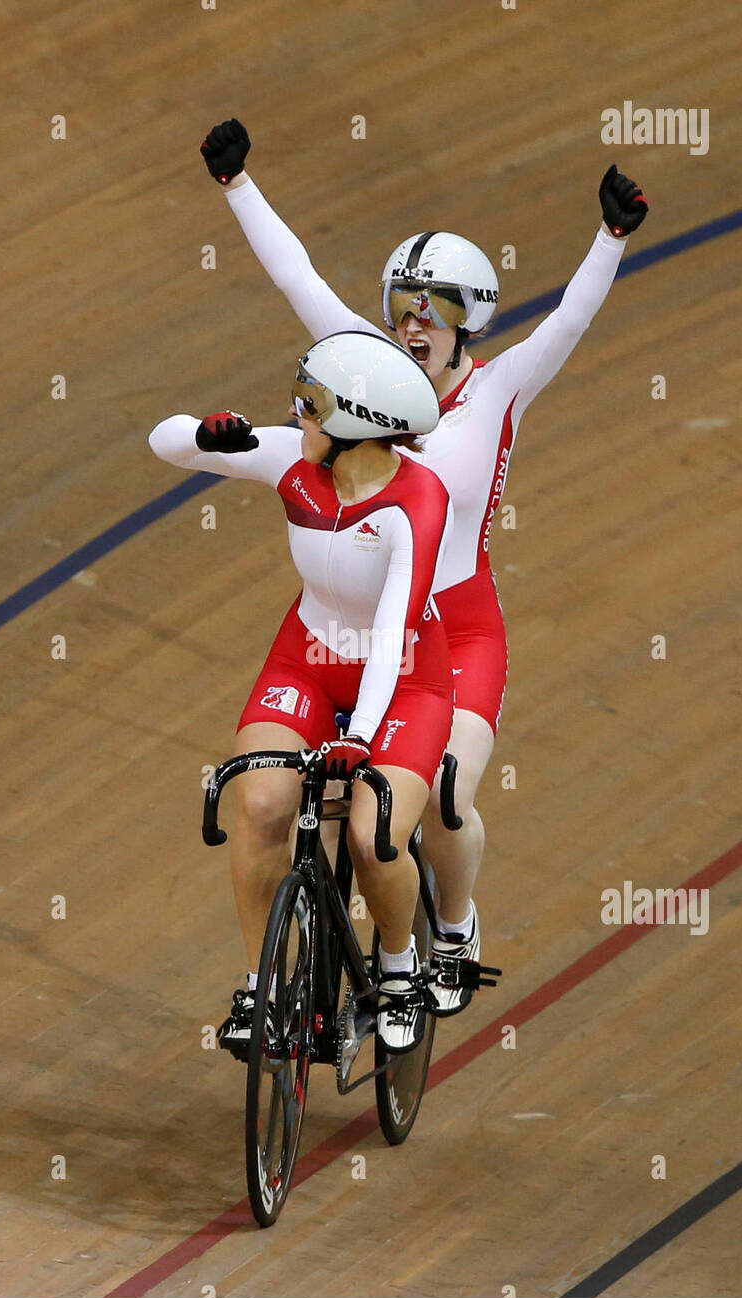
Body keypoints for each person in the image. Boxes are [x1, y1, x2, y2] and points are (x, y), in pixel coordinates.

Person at [199, 118, 649, 1014]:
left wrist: (609, 239)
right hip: (352, 625)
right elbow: (300, 278)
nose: (411, 325)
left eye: (432, 312)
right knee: (327, 812)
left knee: (442, 799)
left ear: (468, 326)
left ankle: (458, 923)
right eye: (402, 304)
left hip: (453, 628)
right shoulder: (361, 365)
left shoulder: (501, 386)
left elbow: (571, 317)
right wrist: (236, 185)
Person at [149, 331, 453, 1052]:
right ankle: (260, 990)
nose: (296, 414)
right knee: (259, 802)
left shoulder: (417, 500)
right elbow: (164, 444)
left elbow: (390, 633)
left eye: (311, 406)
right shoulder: (295, 456)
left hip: (405, 677)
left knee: (372, 836)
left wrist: (357, 736)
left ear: (354, 422)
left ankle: (399, 967)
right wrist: (205, 434)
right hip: (307, 663)